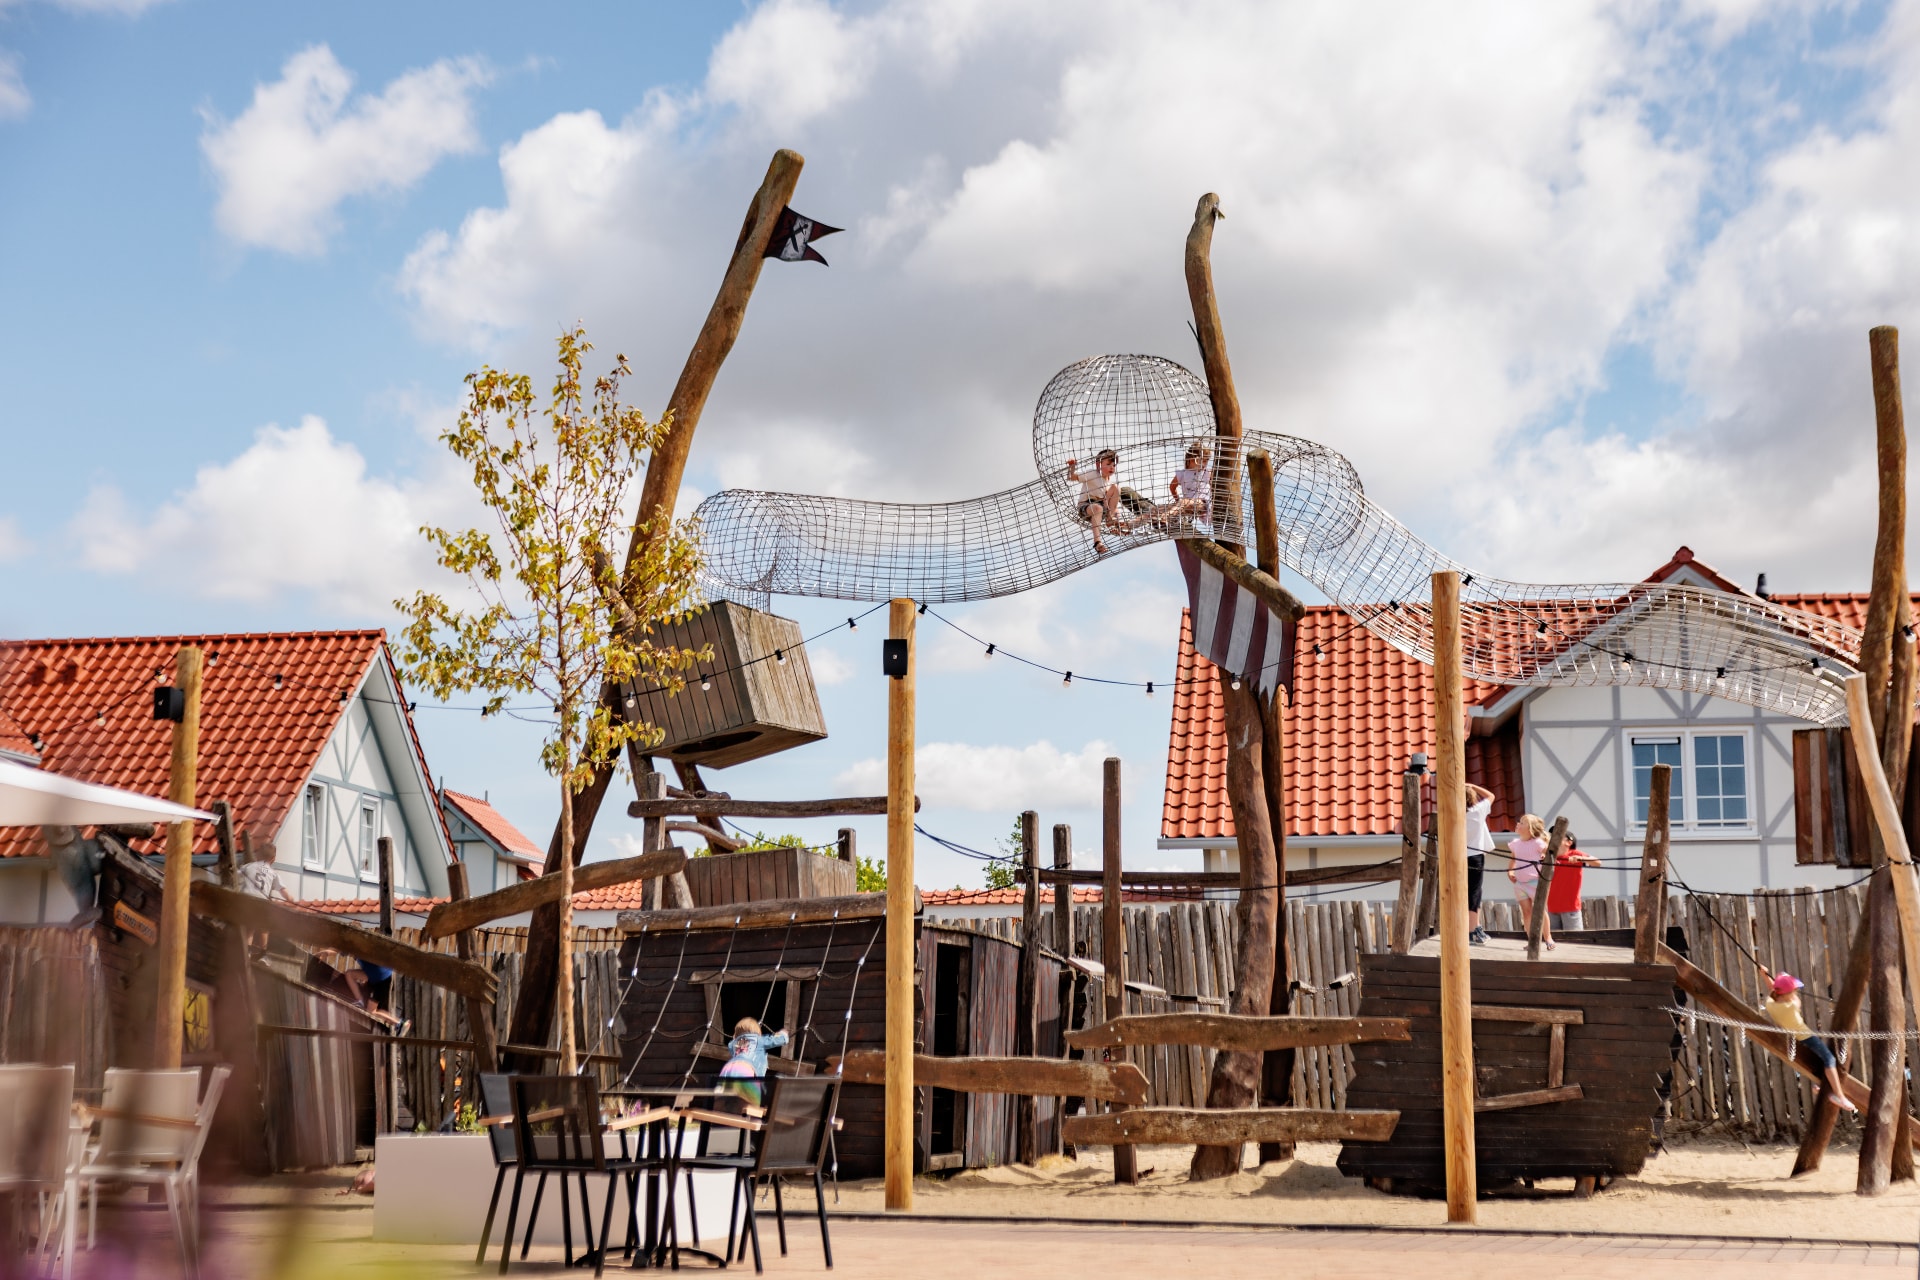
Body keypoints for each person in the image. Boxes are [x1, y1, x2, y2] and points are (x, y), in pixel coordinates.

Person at [1761, 971, 1857, 1112]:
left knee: (1819, 1063)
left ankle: (1822, 1086)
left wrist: (1764, 975)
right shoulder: (1792, 1006)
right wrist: (1790, 994)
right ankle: (1839, 1096)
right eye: (1794, 991)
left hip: (1794, 1037)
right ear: (1787, 994)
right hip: (1806, 1037)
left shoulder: (1771, 1004)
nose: (1796, 993)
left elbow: (1773, 989)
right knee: (1829, 1060)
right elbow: (1795, 1001)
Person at [1065, 449, 1129, 554]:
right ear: (1098, 465)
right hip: (1086, 507)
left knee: (1116, 488)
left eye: (1114, 465)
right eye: (1108, 464)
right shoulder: (1093, 474)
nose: (1111, 467)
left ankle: (1110, 521)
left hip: (1102, 508)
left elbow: (1112, 504)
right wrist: (1072, 467)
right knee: (1097, 508)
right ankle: (1097, 542)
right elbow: (1071, 477)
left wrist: (1116, 517)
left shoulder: (1109, 483)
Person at [1506, 813, 1554, 950]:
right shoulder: (1515, 844)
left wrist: (1545, 856)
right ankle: (1532, 941)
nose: (1517, 824)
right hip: (1520, 884)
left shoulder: (1538, 843)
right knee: (1526, 912)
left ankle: (1548, 937)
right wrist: (1510, 871)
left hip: (1535, 882)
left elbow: (1552, 855)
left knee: (1540, 910)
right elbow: (1513, 861)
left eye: (1521, 823)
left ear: (1530, 829)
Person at [718, 1016, 789, 1106]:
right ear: (758, 1032)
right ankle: (753, 1117)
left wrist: (735, 1037)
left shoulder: (733, 1043)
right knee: (751, 1101)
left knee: (723, 1097)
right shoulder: (759, 1040)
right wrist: (782, 1034)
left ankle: (721, 1110)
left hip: (727, 1069)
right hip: (746, 1069)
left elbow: (730, 1045)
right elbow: (778, 1040)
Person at [1546, 831, 1600, 932]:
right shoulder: (1550, 857)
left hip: (1570, 906)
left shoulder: (1575, 854)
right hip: (1552, 907)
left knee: (1575, 940)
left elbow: (1597, 862)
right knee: (1554, 940)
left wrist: (1581, 858)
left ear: (1569, 842)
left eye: (1558, 836)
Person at [1464, 782, 1495, 945]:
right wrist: (1472, 786)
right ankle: (1471, 931)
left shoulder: (1452, 814)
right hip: (1475, 855)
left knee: (1462, 892)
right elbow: (1491, 796)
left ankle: (1473, 927)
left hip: (1458, 856)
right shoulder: (1477, 811)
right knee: (1474, 893)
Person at [1166, 441, 1214, 526]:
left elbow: (1215, 487)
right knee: (1160, 509)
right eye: (1203, 461)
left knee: (1183, 503)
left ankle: (1165, 517)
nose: (1205, 464)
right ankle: (1135, 523)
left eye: (1207, 461)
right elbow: (1172, 487)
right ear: (1192, 460)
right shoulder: (1182, 474)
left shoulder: (1207, 473)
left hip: (1203, 504)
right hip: (1189, 505)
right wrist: (1177, 501)